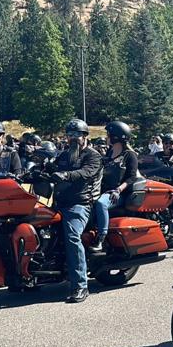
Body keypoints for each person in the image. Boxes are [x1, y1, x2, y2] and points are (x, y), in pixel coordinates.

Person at [45, 118, 103, 303]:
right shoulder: (63, 155)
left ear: (85, 136)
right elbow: (52, 168)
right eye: (70, 135)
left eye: (77, 134)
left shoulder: (92, 156)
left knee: (72, 236)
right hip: (59, 203)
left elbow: (85, 173)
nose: (73, 138)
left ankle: (80, 285)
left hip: (80, 204)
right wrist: (40, 168)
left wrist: (66, 175)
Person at [90, 121, 140, 252]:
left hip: (119, 193)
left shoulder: (130, 155)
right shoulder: (109, 153)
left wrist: (119, 189)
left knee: (101, 204)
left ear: (115, 137)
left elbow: (132, 177)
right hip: (103, 190)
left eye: (108, 135)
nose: (106, 138)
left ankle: (101, 238)